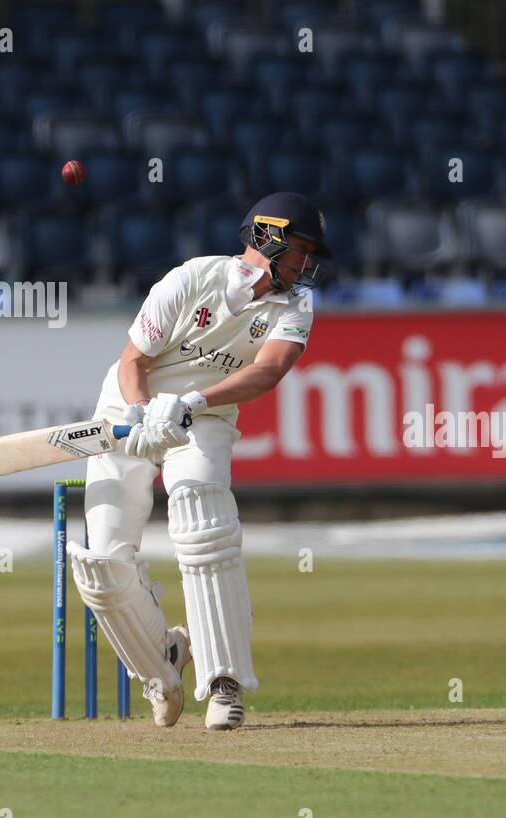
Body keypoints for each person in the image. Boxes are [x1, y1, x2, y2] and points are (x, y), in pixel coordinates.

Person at [69, 192, 330, 730]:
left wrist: (194, 402)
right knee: (102, 566)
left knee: (204, 521)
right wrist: (143, 414)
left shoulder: (294, 305)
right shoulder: (191, 278)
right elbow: (132, 359)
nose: (306, 263)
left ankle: (225, 685)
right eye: (300, 249)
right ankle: (160, 670)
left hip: (204, 417)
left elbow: (270, 371)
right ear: (267, 237)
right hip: (128, 409)